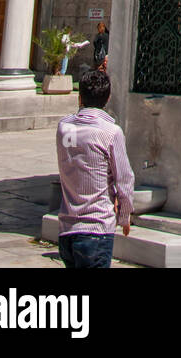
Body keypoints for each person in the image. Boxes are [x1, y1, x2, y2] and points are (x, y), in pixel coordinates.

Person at [56, 68, 134, 268]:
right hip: (96, 230)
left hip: (67, 229)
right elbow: (124, 178)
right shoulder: (110, 132)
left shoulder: (63, 127)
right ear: (107, 98)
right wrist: (125, 216)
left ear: (80, 97)